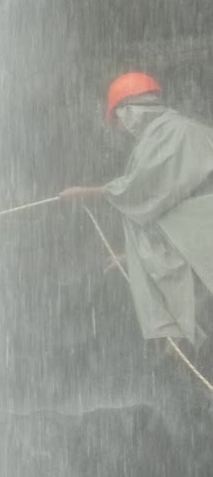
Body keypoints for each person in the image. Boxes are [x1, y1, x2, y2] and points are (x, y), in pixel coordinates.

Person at [61, 72, 213, 344]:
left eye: (119, 120)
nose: (121, 129)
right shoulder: (162, 136)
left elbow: (143, 191)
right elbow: (170, 215)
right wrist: (133, 258)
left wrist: (87, 193)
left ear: (130, 111)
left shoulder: (176, 133)